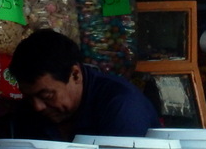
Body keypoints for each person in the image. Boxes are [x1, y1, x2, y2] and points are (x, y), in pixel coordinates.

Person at [8, 29, 159, 141]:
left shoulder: (122, 106)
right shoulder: (30, 111)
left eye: (46, 95)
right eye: (29, 97)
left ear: (75, 75)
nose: (38, 106)